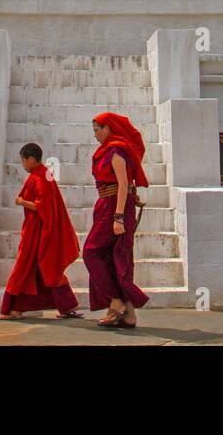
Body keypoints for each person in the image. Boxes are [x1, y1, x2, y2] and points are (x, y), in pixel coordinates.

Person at [0, 142, 82, 320]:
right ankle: (64, 306)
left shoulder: (40, 176)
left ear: (31, 159)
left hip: (38, 231)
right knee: (43, 269)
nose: (23, 165)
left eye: (23, 161)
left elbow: (44, 206)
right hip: (40, 229)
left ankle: (13, 309)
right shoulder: (44, 174)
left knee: (25, 267)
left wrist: (21, 202)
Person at [82, 111, 149, 327]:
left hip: (114, 206)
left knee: (91, 252)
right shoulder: (107, 150)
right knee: (114, 257)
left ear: (107, 128)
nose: (95, 135)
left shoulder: (117, 150)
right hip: (106, 204)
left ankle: (116, 299)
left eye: (97, 130)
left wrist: (118, 217)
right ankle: (129, 315)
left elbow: (123, 183)